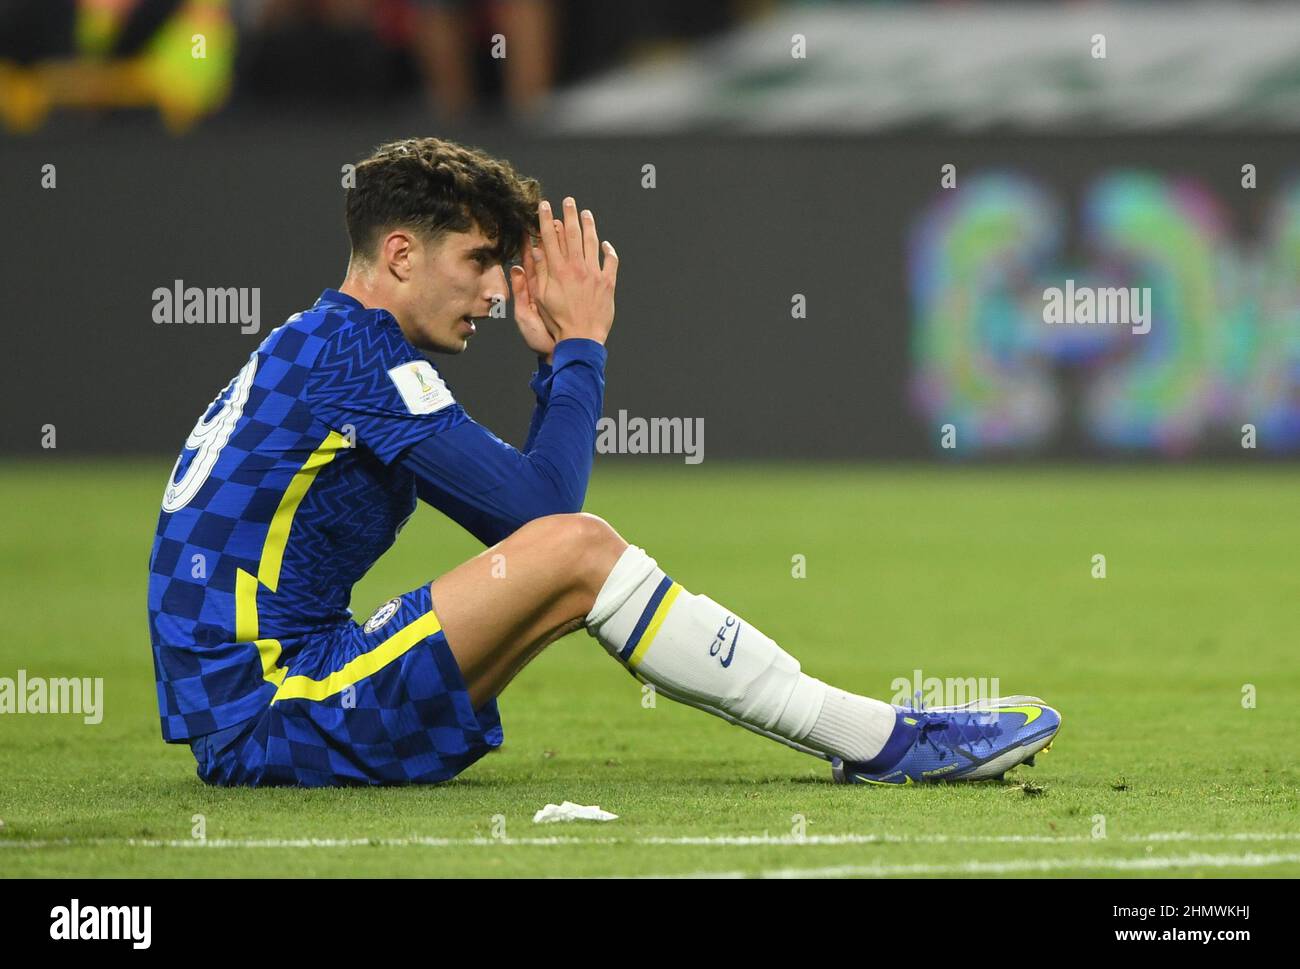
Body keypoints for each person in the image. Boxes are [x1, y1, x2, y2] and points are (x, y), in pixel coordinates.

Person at [147, 136, 1061, 787]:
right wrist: (581, 350)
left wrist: (558, 368)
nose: (497, 290)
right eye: (478, 260)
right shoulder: (356, 358)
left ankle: (874, 736)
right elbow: (547, 520)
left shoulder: (325, 346)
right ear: (397, 253)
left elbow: (539, 525)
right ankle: (879, 738)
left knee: (573, 564)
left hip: (271, 696)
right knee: (580, 554)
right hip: (274, 710)